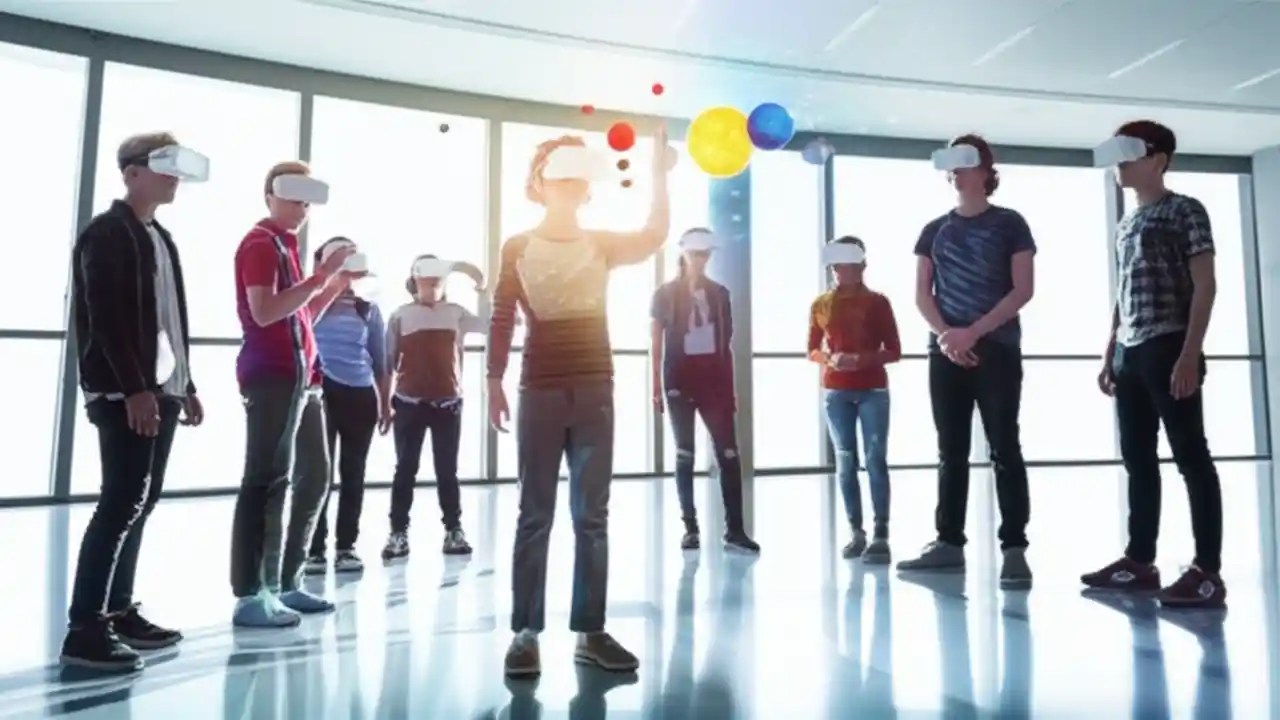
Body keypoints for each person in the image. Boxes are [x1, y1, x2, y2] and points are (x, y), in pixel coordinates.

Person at [489, 128, 671, 678]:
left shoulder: (601, 243)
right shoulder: (517, 247)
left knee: (591, 516)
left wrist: (659, 174)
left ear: (585, 184)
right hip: (539, 387)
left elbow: (654, 233)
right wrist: (493, 378)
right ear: (539, 183)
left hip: (594, 387)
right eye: (555, 171)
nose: (566, 182)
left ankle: (590, 631)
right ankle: (526, 634)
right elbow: (501, 314)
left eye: (575, 173)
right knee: (534, 513)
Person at [63, 132, 207, 671]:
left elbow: (169, 320)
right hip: (126, 391)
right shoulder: (108, 233)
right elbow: (107, 317)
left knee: (140, 503)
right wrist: (134, 388)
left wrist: (184, 385)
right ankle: (84, 629)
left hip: (161, 390)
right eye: (164, 166)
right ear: (130, 173)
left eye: (178, 168)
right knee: (120, 501)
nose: (175, 178)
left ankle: (118, 611)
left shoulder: (159, 238)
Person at [1081, 120, 1226, 609]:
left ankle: (1207, 572)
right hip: (1130, 353)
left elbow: (1205, 285)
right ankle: (1140, 562)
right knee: (1138, 460)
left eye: (1129, 155)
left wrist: (1189, 353)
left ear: (1158, 159)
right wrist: (1110, 351)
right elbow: (1123, 293)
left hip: (1170, 346)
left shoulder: (1186, 210)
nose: (1120, 166)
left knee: (1192, 458)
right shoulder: (1126, 222)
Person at [897, 134, 1037, 591]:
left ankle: (1014, 549)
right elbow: (922, 292)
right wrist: (946, 336)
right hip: (945, 353)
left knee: (1005, 447)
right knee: (950, 451)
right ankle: (949, 544)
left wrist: (972, 332)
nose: (955, 172)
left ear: (983, 169)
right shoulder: (933, 229)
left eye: (963, 163)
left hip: (996, 350)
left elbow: (1022, 289)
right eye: (950, 165)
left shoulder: (1011, 223)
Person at [230, 161, 356, 627]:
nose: (301, 209)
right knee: (266, 480)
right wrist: (318, 279)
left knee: (315, 476)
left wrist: (328, 285)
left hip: (304, 378)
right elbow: (264, 313)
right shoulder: (260, 243)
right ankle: (250, 594)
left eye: (307, 200)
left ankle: (284, 583)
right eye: (293, 197)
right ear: (270, 195)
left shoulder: (287, 246)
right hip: (273, 375)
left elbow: (297, 314)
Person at [649, 228, 760, 553]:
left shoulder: (720, 293)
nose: (700, 259)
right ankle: (690, 527)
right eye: (695, 253)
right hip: (679, 381)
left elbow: (726, 342)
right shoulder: (666, 293)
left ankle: (735, 530)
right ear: (684, 254)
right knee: (685, 453)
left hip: (714, 381)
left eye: (705, 253)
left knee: (728, 453)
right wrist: (656, 384)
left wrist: (729, 387)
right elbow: (656, 339)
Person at [383, 254, 487, 559]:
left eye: (437, 279)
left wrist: (482, 290)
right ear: (415, 281)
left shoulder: (456, 313)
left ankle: (453, 530)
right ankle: (398, 533)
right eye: (426, 279)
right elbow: (388, 362)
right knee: (405, 469)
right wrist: (384, 405)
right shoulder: (401, 315)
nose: (432, 284)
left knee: (447, 470)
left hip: (448, 404)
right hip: (409, 404)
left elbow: (488, 324)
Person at [808, 236, 901, 563]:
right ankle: (856, 532)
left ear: (861, 264)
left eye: (845, 261)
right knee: (845, 462)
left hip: (872, 389)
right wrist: (832, 359)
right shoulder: (821, 304)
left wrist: (860, 360)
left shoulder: (878, 303)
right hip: (836, 391)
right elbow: (812, 350)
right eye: (835, 262)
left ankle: (881, 533)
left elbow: (894, 350)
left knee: (876, 460)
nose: (838, 268)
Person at [303, 237, 388, 576]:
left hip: (360, 395)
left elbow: (382, 360)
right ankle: (313, 549)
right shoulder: (311, 301)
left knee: (353, 474)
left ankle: (346, 547)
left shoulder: (368, 308)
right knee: (317, 474)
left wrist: (386, 405)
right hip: (321, 392)